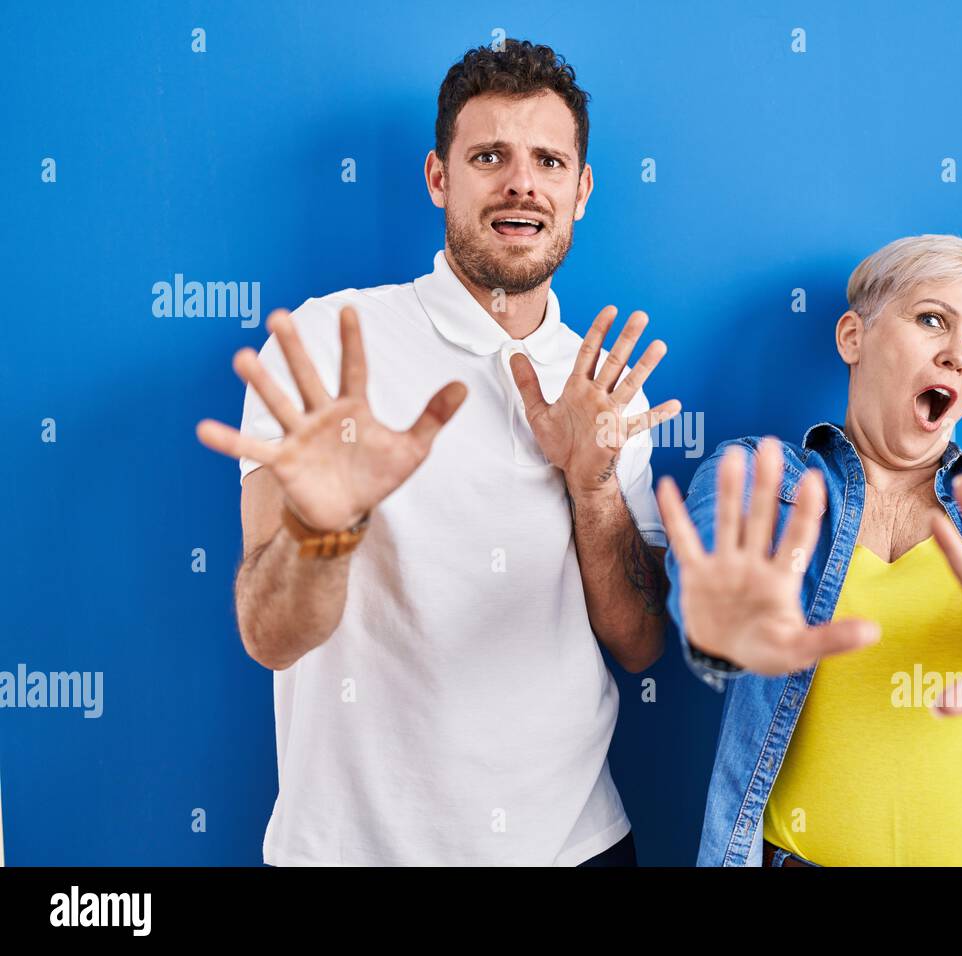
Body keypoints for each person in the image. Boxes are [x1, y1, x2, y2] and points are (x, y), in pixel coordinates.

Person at [195, 39, 678, 866]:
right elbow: (271, 635)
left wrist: (591, 486)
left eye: (549, 161)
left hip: (575, 845)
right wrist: (327, 523)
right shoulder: (329, 343)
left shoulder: (605, 385)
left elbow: (639, 644)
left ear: (581, 190)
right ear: (439, 178)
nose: (522, 182)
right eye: (489, 156)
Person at [658, 234, 962, 867]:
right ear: (852, 338)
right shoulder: (762, 476)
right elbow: (704, 554)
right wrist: (716, 627)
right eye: (931, 320)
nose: (957, 355)